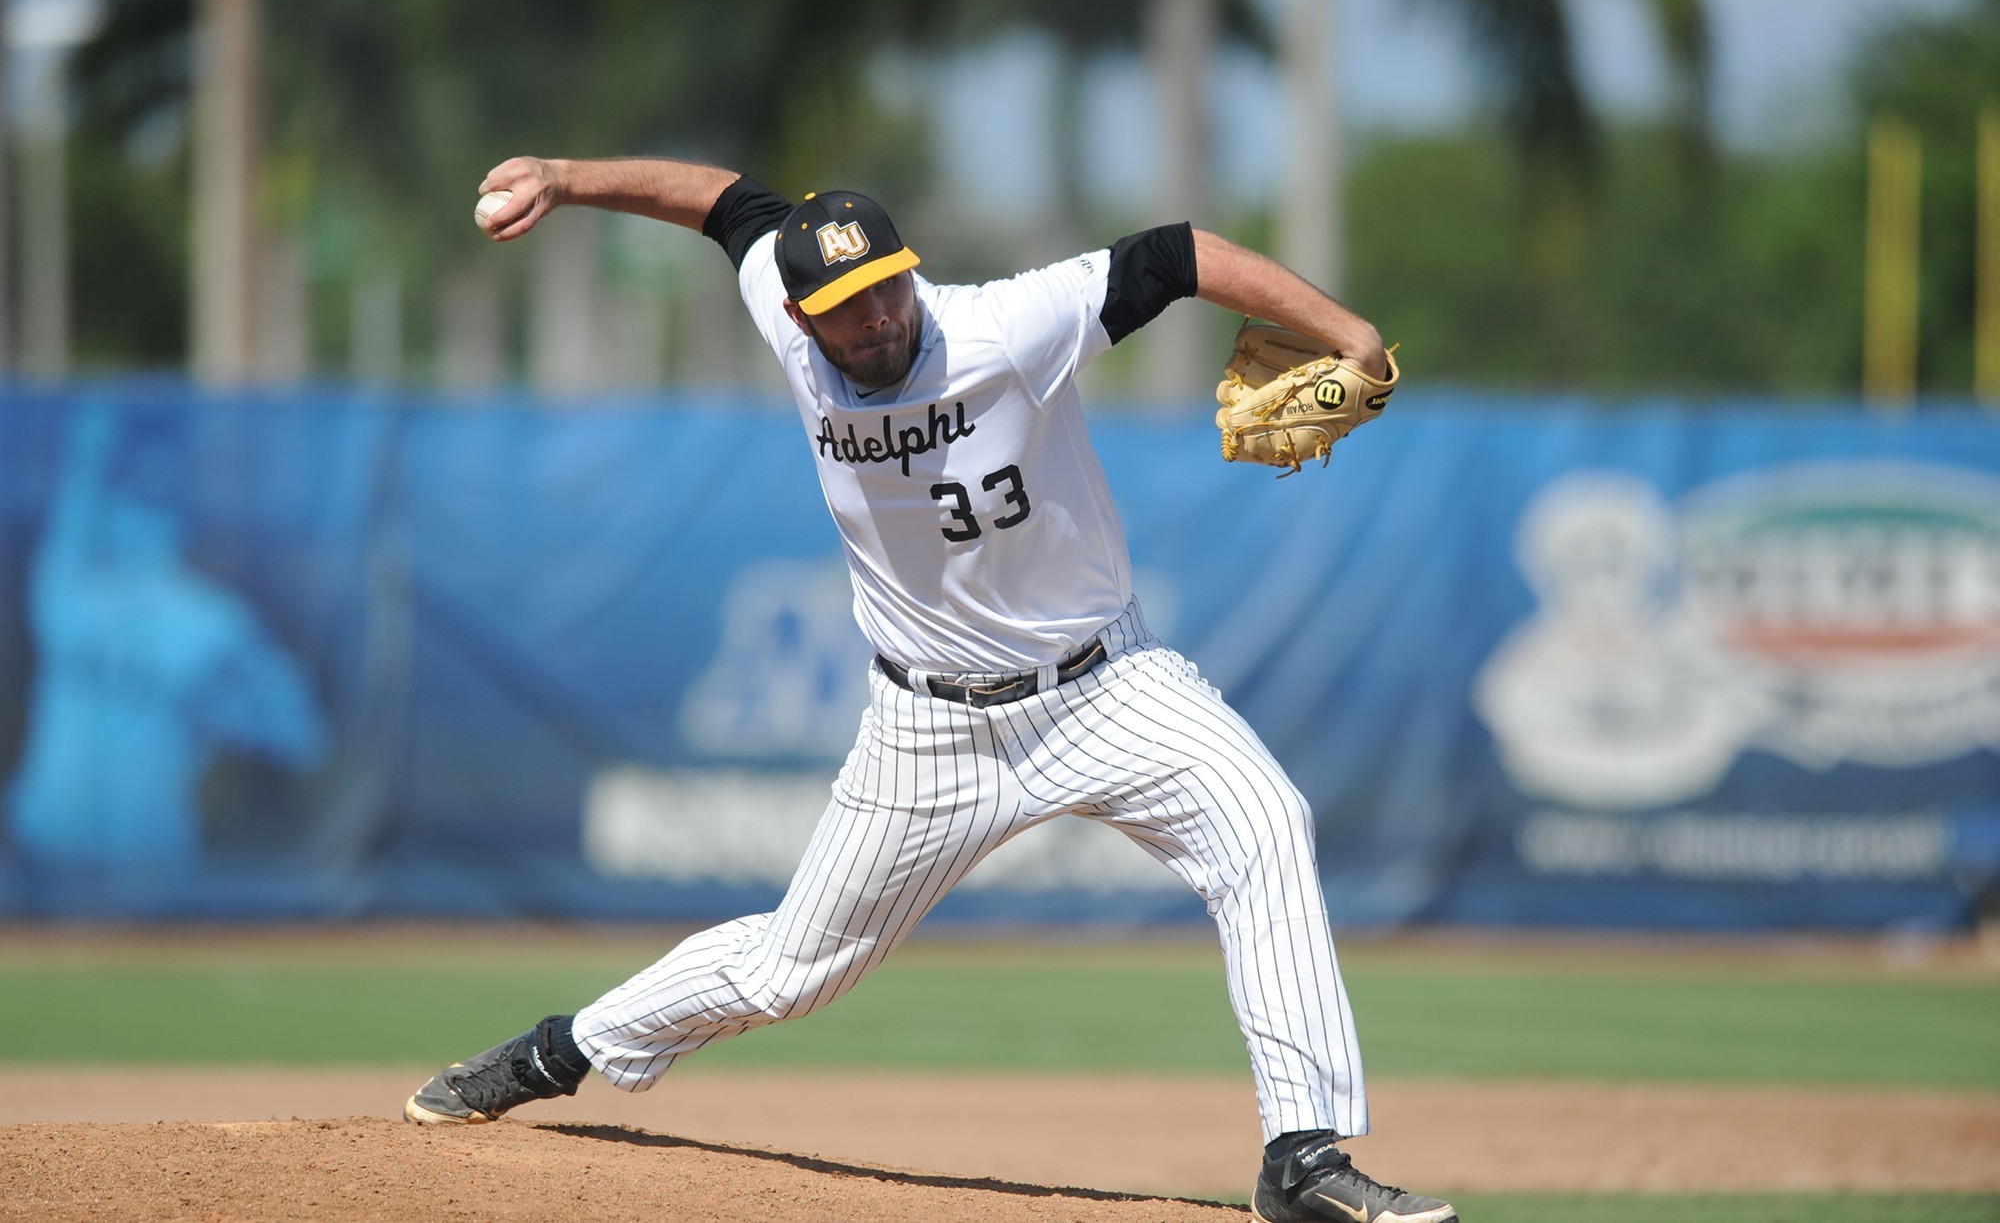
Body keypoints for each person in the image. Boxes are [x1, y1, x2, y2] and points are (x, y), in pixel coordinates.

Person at [404, 155, 1454, 1223]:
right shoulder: (786, 313)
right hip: (926, 728)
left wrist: (1350, 335)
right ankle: (555, 1051)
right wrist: (566, 180)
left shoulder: (1009, 324)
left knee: (1264, 821)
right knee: (789, 971)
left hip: (1105, 684)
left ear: (910, 270)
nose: (875, 316)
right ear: (799, 317)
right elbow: (725, 205)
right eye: (845, 307)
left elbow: (1177, 256)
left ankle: (1301, 1156)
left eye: (886, 287)